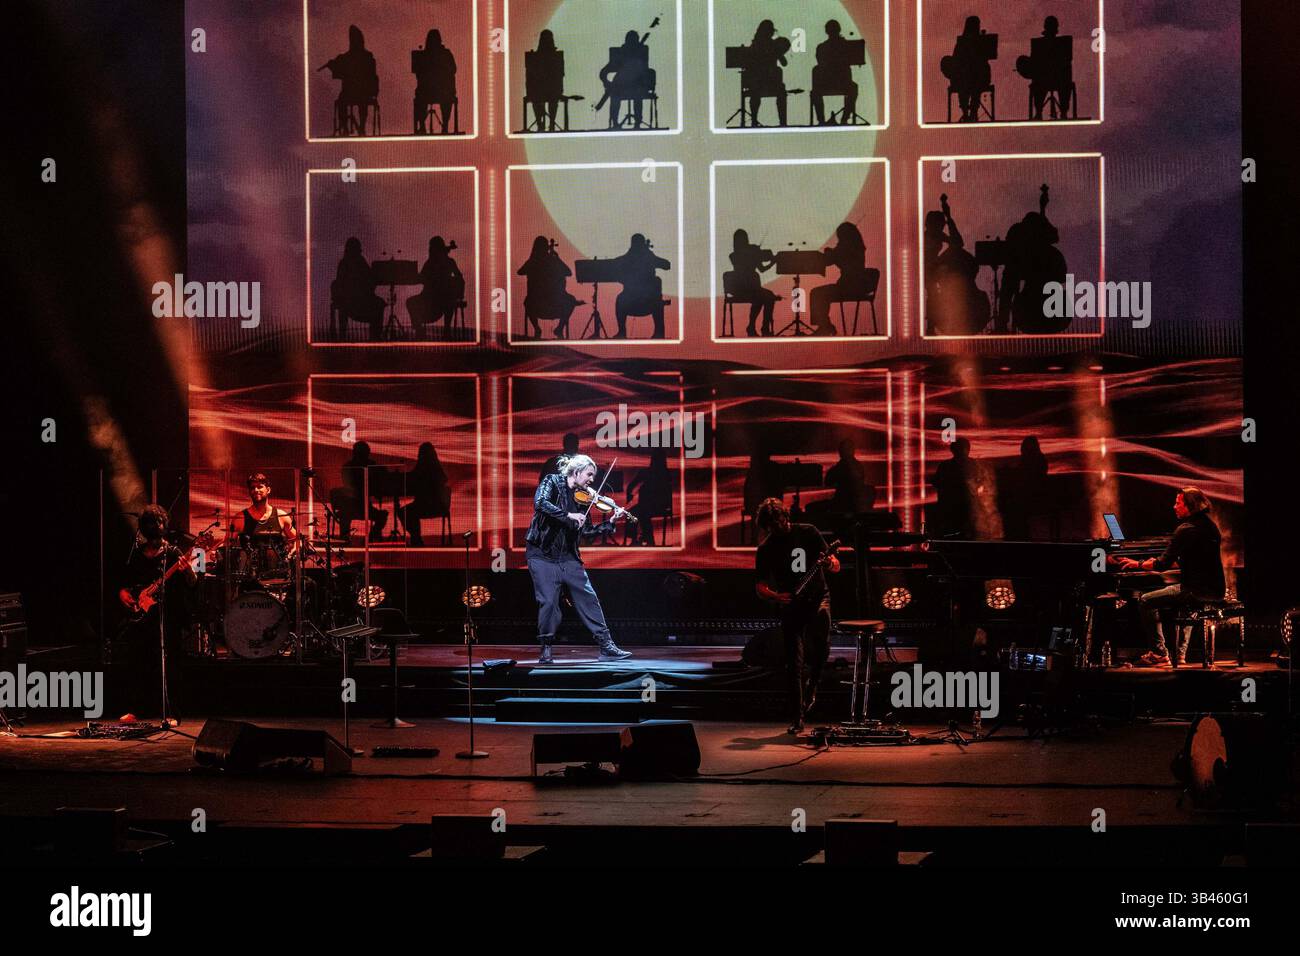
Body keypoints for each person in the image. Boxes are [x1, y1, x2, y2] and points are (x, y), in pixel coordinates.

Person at [526, 455, 634, 664]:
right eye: (589, 474)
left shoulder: (582, 499)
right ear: (576, 472)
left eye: (594, 475)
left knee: (588, 597)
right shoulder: (552, 481)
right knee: (548, 601)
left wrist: (610, 522)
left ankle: (606, 645)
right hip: (542, 553)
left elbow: (586, 531)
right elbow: (540, 504)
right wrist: (567, 515)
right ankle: (546, 647)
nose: (592, 479)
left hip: (568, 556)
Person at [754, 497, 840, 734]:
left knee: (822, 635)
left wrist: (830, 563)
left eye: (778, 521)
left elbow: (836, 565)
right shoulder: (767, 548)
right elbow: (759, 587)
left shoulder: (809, 532)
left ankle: (813, 684)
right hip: (792, 604)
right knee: (794, 661)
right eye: (770, 525)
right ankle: (797, 716)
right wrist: (775, 595)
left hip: (818, 597)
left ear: (786, 517)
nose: (776, 527)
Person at [1117, 488, 1226, 667]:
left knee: (1145, 600)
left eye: (1178, 503)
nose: (1174, 506)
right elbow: (1191, 560)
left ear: (1189, 506)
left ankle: (1160, 653)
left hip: (1195, 591)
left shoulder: (1185, 529)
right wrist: (1154, 562)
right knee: (1189, 605)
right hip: (1216, 590)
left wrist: (1138, 563)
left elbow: (1162, 565)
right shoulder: (1210, 526)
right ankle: (1181, 655)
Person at [117, 504, 197, 714]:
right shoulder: (137, 553)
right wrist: (123, 594)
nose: (157, 526)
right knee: (138, 661)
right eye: (152, 522)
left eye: (160, 522)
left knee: (170, 663)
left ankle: (171, 711)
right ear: (144, 526)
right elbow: (125, 582)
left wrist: (188, 571)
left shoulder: (173, 553)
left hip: (167, 614)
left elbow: (193, 582)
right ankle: (136, 708)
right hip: (142, 616)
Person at [810, 222, 871, 336]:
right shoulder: (857, 247)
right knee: (821, 293)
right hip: (859, 287)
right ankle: (825, 325)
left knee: (817, 293)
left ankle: (825, 326)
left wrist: (828, 251)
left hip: (847, 287)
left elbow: (828, 261)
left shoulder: (844, 247)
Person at [610, 234, 671, 339]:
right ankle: (659, 333)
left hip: (630, 301)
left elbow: (614, 265)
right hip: (648, 301)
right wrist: (650, 255)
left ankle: (622, 332)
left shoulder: (627, 258)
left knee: (620, 299)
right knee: (657, 299)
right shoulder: (649, 257)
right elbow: (666, 264)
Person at [518, 236, 580, 338]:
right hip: (554, 304)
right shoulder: (552, 260)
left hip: (537, 305)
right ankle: (559, 328)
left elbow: (520, 271)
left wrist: (532, 261)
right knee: (571, 300)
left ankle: (537, 328)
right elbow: (568, 272)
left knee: (528, 301)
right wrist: (557, 259)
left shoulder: (533, 261)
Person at [323, 25, 379, 135]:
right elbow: (339, 74)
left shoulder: (361, 57)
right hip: (352, 92)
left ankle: (357, 127)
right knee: (344, 101)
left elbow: (371, 75)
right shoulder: (356, 56)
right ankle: (347, 128)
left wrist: (334, 65)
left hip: (359, 92)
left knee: (356, 100)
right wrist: (334, 66)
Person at [405, 236, 464, 337]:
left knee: (410, 302)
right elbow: (460, 279)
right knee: (411, 302)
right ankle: (441, 331)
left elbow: (421, 278)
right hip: (433, 300)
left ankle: (420, 329)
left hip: (437, 301)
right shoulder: (447, 262)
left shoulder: (432, 263)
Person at [942, 16, 995, 122]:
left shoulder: (965, 42)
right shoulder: (963, 42)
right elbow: (957, 61)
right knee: (969, 81)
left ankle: (969, 113)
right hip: (968, 78)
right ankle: (969, 113)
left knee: (972, 80)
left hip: (974, 78)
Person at [727, 229, 778, 336]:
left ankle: (751, 327)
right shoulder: (751, 252)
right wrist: (773, 261)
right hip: (750, 288)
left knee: (762, 297)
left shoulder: (733, 256)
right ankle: (764, 329)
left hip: (739, 290)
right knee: (769, 297)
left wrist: (755, 253)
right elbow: (762, 269)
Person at [599, 30, 654, 129]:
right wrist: (607, 83)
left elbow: (644, 72)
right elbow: (604, 72)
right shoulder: (621, 54)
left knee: (638, 93)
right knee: (615, 95)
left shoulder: (640, 53)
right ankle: (615, 123)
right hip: (621, 87)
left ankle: (637, 122)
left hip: (636, 86)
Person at [399, 442, 451, 546]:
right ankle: (416, 538)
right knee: (409, 511)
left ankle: (416, 538)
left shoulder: (423, 468)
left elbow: (413, 479)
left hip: (430, 506)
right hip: (437, 505)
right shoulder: (436, 467)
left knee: (405, 512)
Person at [811, 19, 859, 125]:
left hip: (826, 83)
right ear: (839, 30)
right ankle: (844, 118)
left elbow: (819, 63)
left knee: (815, 92)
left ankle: (821, 120)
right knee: (853, 88)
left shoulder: (821, 47)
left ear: (826, 31)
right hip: (842, 82)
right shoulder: (846, 46)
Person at [742, 20, 790, 127]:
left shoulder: (754, 45)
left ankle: (754, 120)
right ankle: (783, 122)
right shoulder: (772, 45)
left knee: (756, 93)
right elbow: (784, 63)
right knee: (781, 91)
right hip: (769, 82)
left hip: (758, 82)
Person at [412, 28, 458, 134]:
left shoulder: (423, 56)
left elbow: (417, 74)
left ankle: (422, 125)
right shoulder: (446, 54)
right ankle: (445, 125)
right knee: (445, 96)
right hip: (441, 91)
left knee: (421, 96)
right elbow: (454, 70)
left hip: (430, 91)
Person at [627, 448, 673, 546]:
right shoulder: (666, 473)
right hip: (658, 506)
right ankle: (644, 538)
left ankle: (643, 539)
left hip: (655, 506)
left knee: (637, 512)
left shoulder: (649, 472)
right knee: (636, 512)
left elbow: (631, 486)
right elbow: (631, 485)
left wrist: (630, 496)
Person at [525, 30, 565, 131]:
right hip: (550, 91)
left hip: (544, 91)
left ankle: (540, 124)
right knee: (549, 100)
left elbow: (530, 77)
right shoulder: (556, 56)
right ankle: (550, 124)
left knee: (538, 99)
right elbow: (561, 75)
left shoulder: (535, 57)